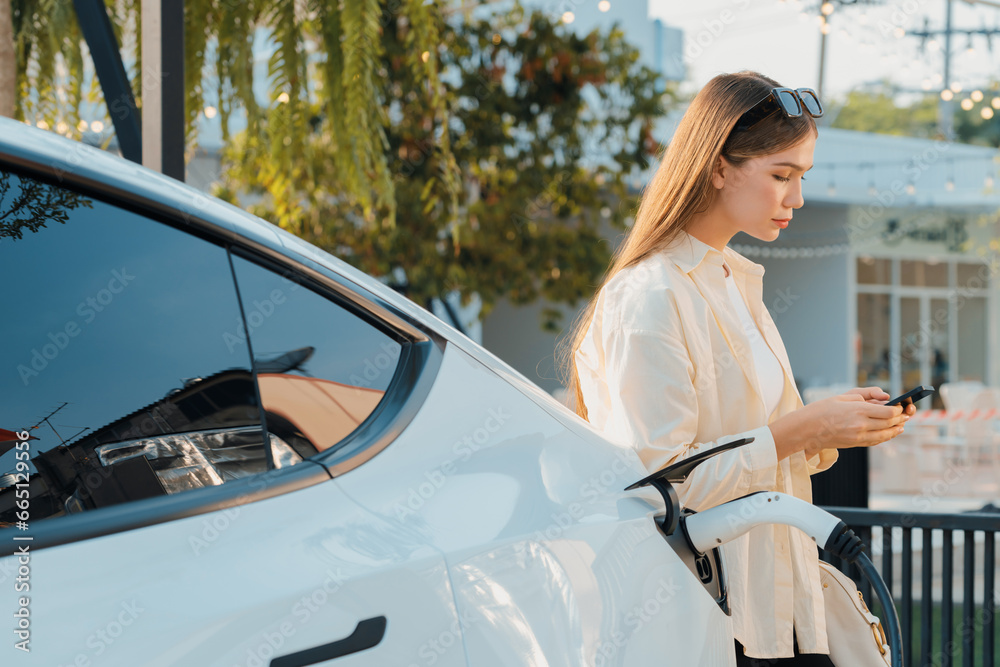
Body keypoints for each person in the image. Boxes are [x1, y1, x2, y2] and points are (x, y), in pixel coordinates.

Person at [563, 71, 916, 665]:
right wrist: (801, 430)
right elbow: (656, 486)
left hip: (778, 610)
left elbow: (749, 450)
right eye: (781, 176)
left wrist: (828, 428)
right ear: (718, 167)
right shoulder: (649, 295)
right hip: (702, 620)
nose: (796, 199)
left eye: (801, 178)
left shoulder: (735, 281)